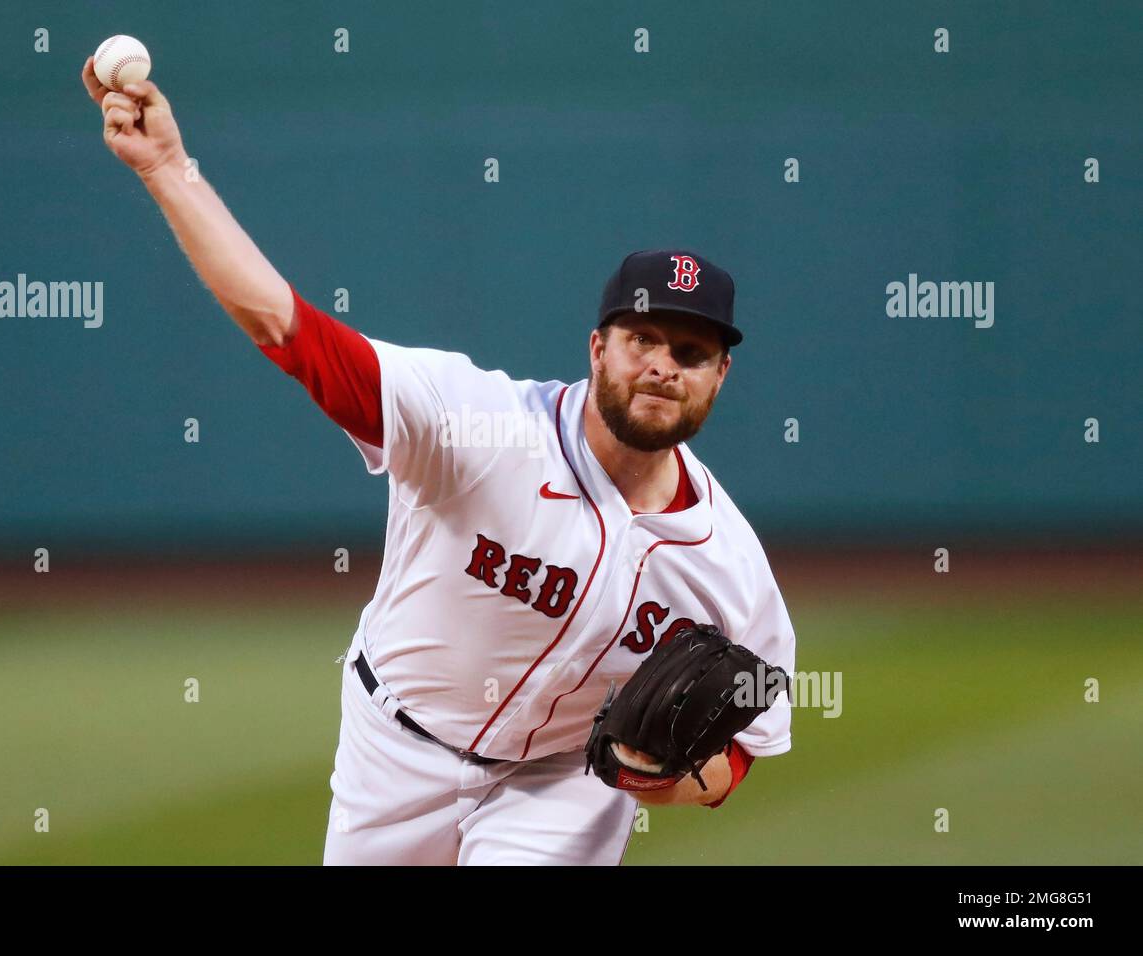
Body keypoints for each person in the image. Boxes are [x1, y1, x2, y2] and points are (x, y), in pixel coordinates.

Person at [81, 60, 796, 866]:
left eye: (691, 351)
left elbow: (741, 749)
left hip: (562, 786)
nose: (663, 365)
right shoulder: (477, 424)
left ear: (719, 375)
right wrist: (170, 170)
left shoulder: (731, 567)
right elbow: (290, 331)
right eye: (642, 340)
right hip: (396, 747)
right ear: (598, 348)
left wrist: (655, 780)